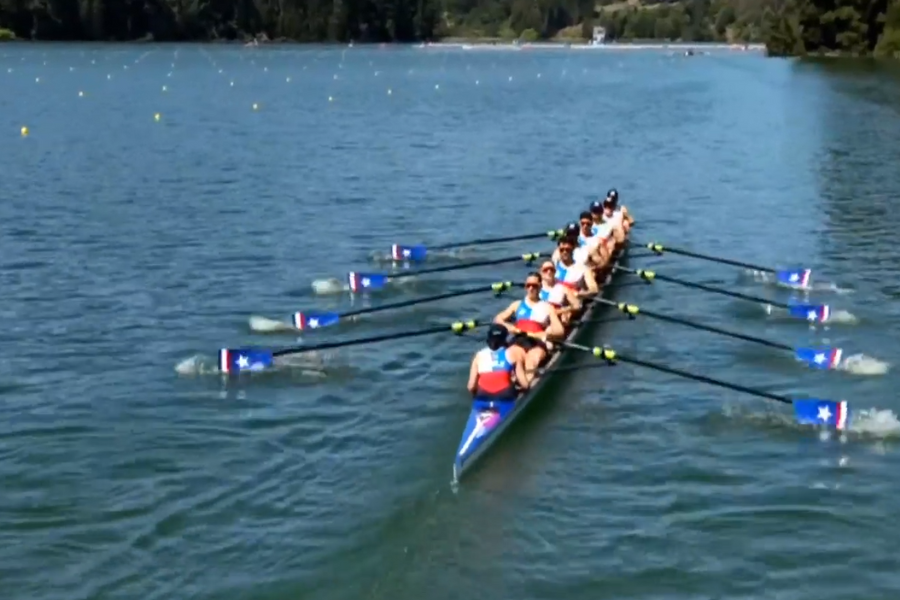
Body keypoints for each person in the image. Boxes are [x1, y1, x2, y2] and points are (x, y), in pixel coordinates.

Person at [494, 272, 565, 377]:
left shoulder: (548, 307)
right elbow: (498, 319)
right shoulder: (517, 305)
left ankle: (527, 389)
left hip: (537, 344)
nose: (531, 288)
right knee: (511, 357)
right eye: (528, 285)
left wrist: (543, 334)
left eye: (534, 286)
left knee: (531, 361)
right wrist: (510, 327)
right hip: (518, 341)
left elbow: (560, 331)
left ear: (540, 286)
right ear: (525, 287)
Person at [467, 324, 528, 399]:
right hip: (505, 393)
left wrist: (476, 394)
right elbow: (524, 384)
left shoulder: (478, 356)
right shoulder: (512, 354)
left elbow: (471, 386)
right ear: (505, 339)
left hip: (483, 394)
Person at [538, 260, 581, 324]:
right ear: (540, 273)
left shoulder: (562, 288)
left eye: (551, 269)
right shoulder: (534, 287)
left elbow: (577, 305)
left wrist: (566, 311)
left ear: (555, 272)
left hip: (556, 319)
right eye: (545, 270)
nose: (549, 272)